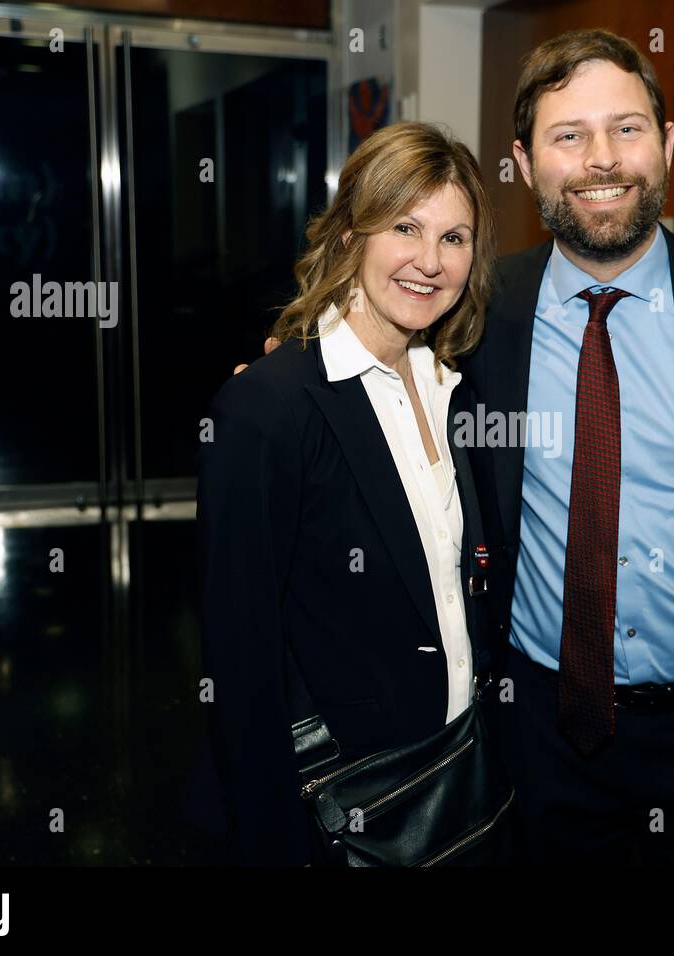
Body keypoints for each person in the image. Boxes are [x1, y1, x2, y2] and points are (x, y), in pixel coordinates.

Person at [243, 29, 674, 866]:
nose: (603, 160)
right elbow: (372, 355)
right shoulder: (477, 310)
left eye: (627, 129)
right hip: (532, 731)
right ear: (525, 164)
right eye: (569, 136)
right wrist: (289, 378)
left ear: (666, 145)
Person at [198, 121, 504, 866]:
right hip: (344, 805)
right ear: (348, 235)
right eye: (405, 227)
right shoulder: (267, 409)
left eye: (455, 238)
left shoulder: (450, 388)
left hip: (460, 774)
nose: (430, 262)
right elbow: (239, 663)